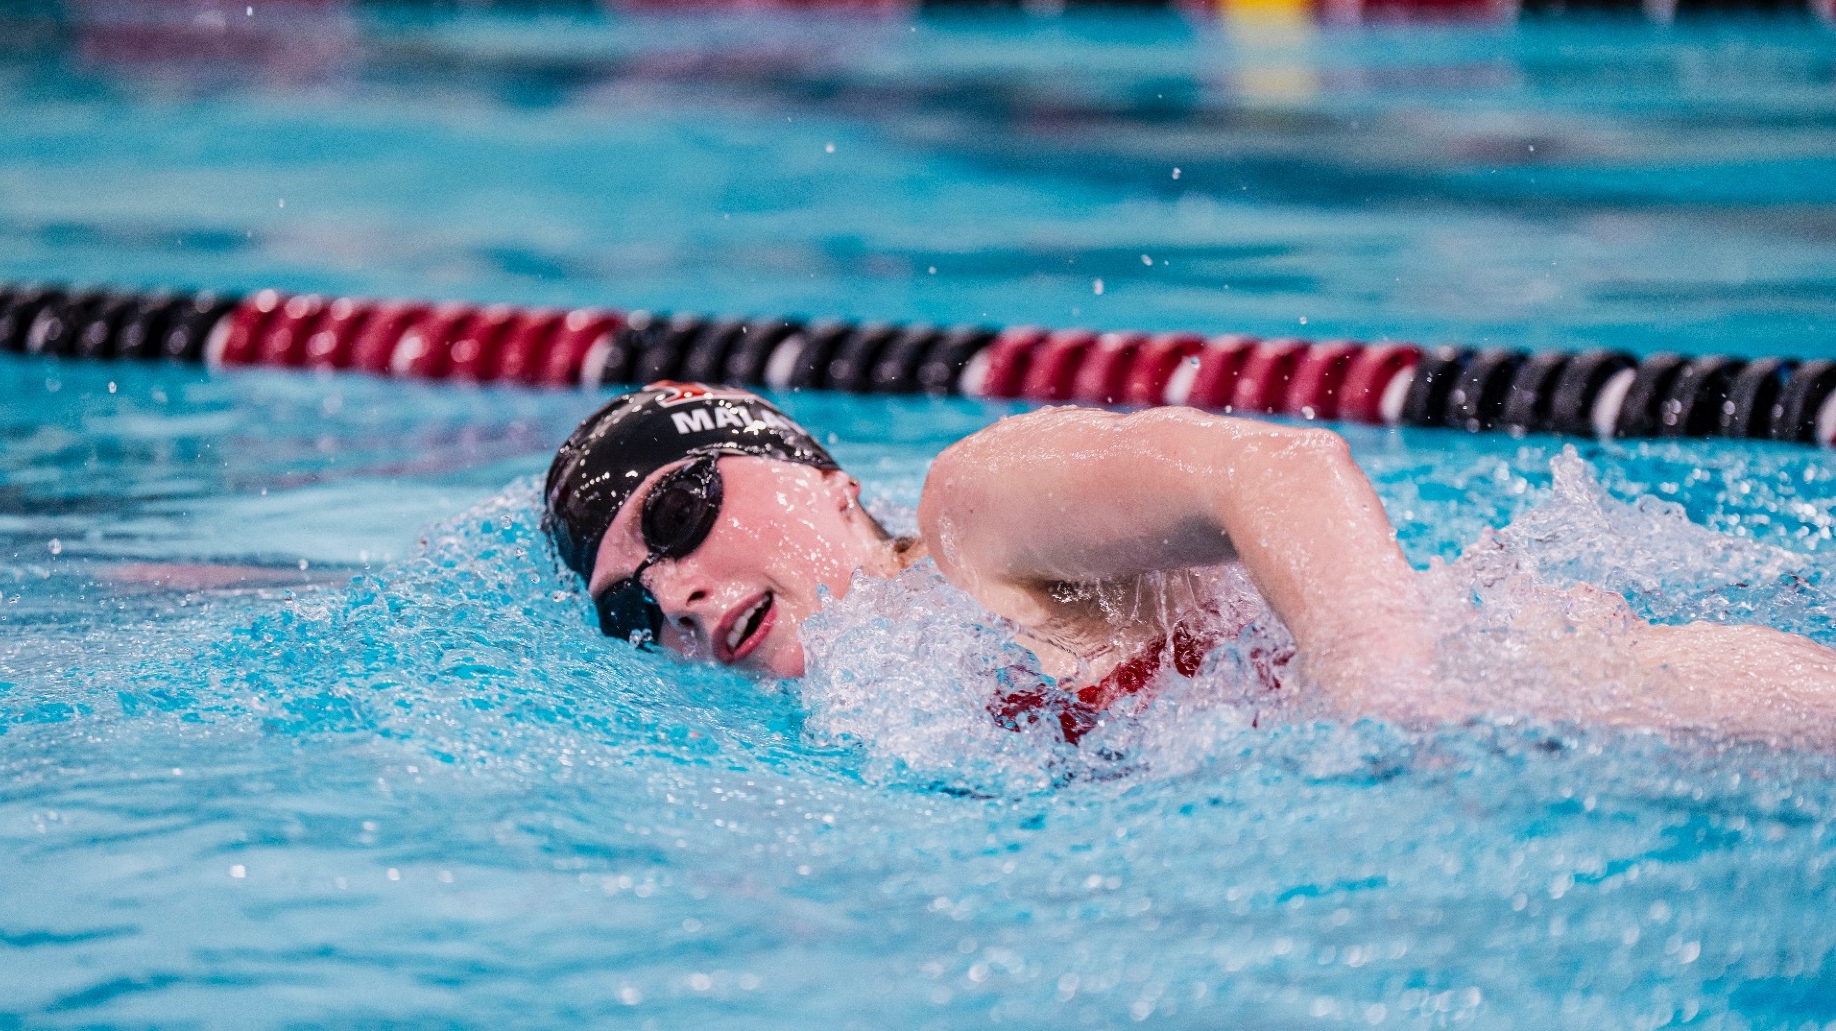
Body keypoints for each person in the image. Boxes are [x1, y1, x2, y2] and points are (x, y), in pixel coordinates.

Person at [543, 381, 1836, 745]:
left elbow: (1278, 469)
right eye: (629, 608)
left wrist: (1376, 689)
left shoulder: (979, 513)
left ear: (825, 477)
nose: (678, 593)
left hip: (1608, 699)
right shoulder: (861, 729)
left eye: (679, 517)